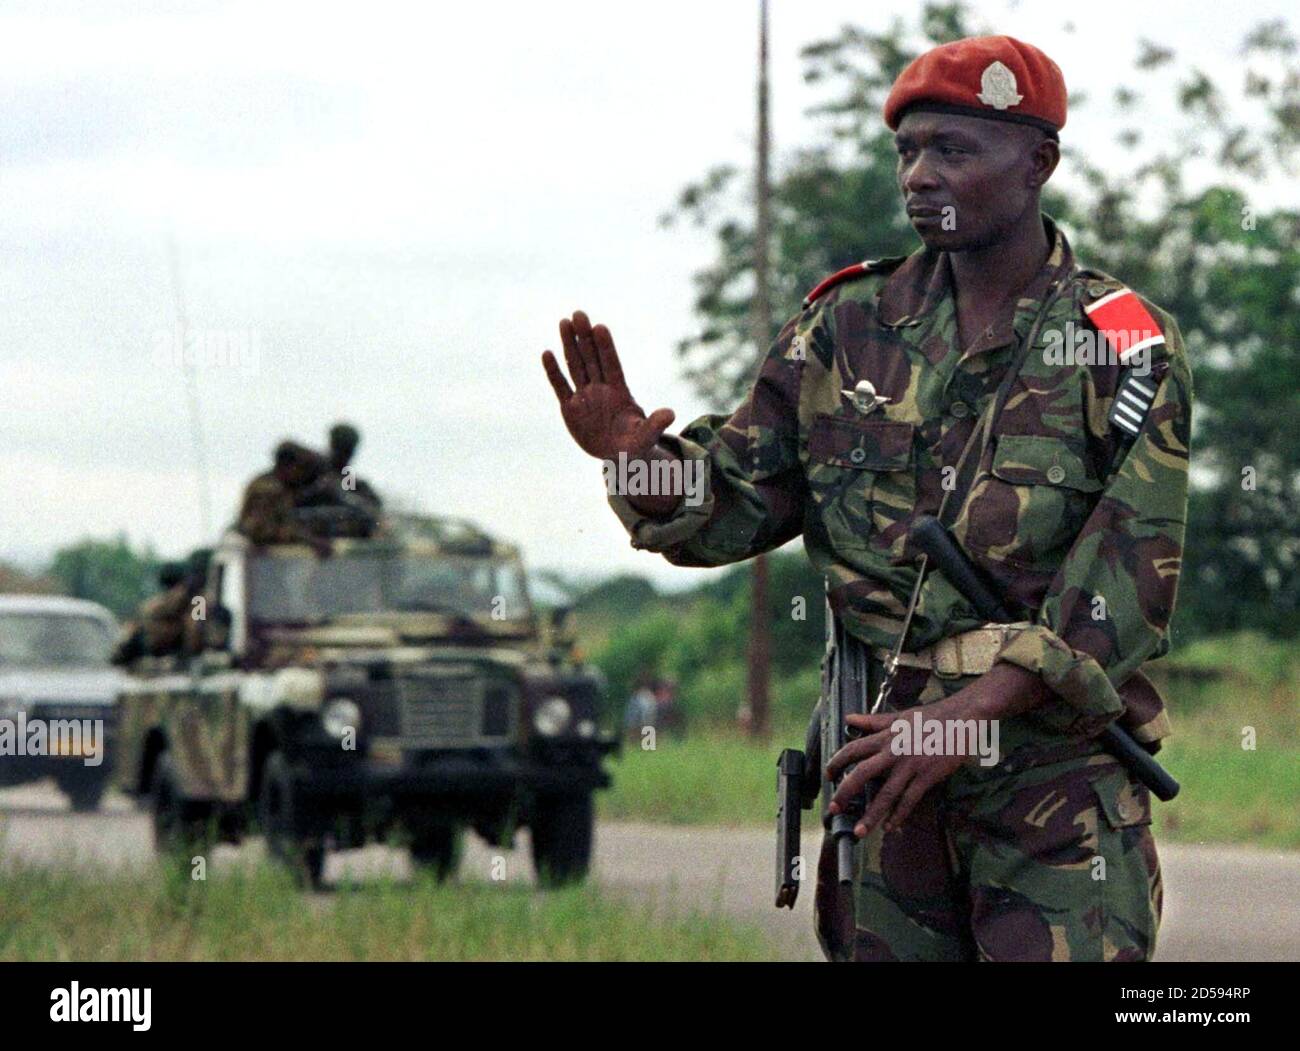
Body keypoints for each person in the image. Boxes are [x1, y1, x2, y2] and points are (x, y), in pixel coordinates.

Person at [542, 35, 1191, 962]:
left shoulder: (1120, 341)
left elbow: (1130, 576)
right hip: (883, 780)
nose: (921, 176)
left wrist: (968, 716)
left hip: (1050, 786)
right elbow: (736, 500)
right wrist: (637, 464)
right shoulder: (845, 324)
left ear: (1038, 162)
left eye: (954, 151)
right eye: (908, 151)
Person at [236, 441, 331, 555]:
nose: (301, 474)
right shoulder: (267, 489)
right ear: (286, 466)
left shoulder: (280, 487)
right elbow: (260, 530)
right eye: (299, 468)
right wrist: (308, 540)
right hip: (262, 562)